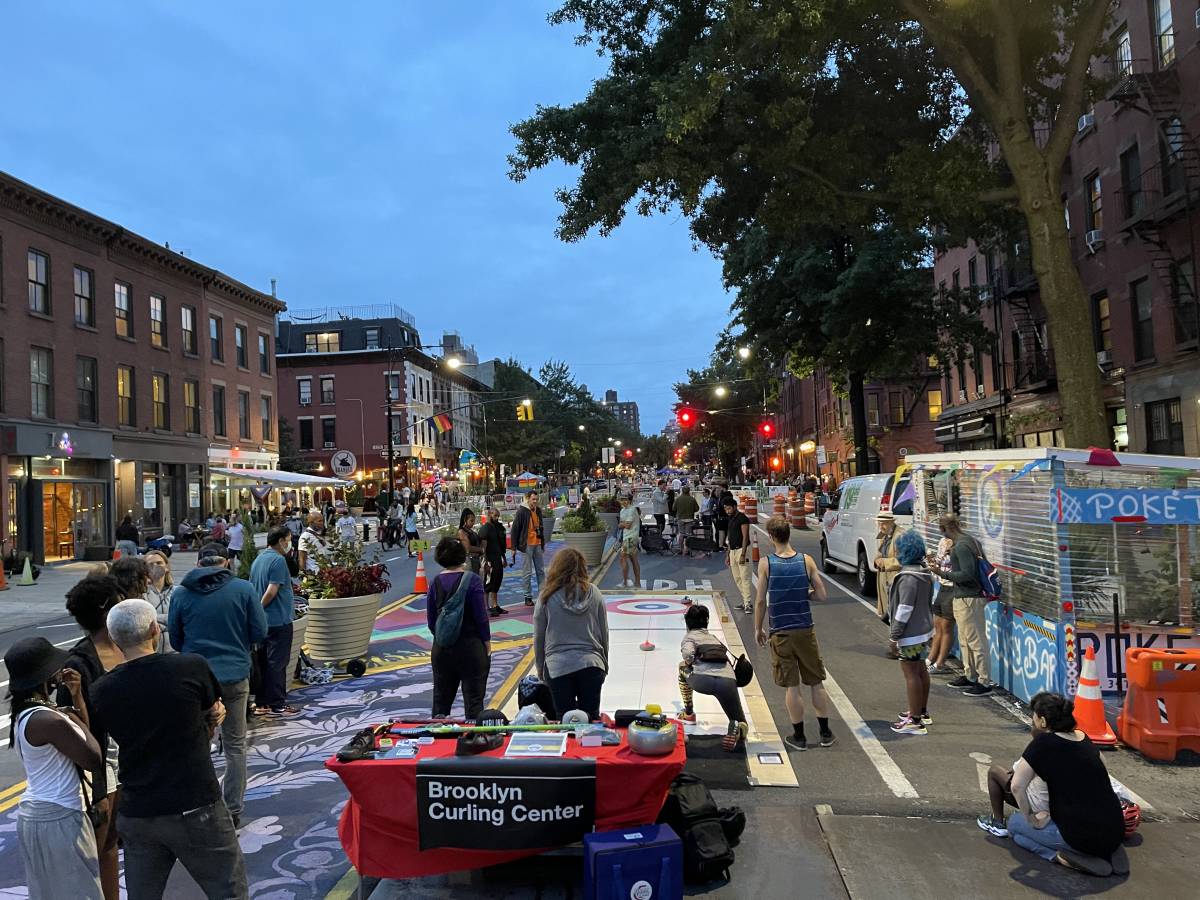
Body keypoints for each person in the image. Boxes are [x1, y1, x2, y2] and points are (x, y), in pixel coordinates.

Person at [91, 600, 248, 899]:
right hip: (195, 801)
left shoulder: (102, 690)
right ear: (154, 630)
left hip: (139, 810)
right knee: (228, 888)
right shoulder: (189, 666)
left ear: (114, 639)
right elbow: (211, 713)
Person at [169, 544, 268, 823]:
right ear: (226, 563)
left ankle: (200, 806)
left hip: (195, 679)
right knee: (235, 746)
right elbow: (259, 631)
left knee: (197, 745)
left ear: (198, 563)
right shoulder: (243, 589)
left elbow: (176, 640)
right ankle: (232, 809)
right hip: (235, 675)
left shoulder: (182, 594)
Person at [6, 636, 105, 900]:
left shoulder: (29, 713)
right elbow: (93, 757)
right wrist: (72, 716)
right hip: (59, 818)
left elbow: (82, 737)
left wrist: (76, 698)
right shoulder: (50, 720)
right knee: (83, 893)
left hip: (39, 815)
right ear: (45, 677)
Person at [997, 692, 1128, 877]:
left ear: (1042, 721)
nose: (1032, 722)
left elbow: (1017, 786)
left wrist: (1031, 818)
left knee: (1015, 826)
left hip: (1079, 836)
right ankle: (1111, 850)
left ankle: (1062, 857)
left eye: (1033, 718)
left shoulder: (1043, 742)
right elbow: (1103, 768)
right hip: (1115, 828)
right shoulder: (1084, 738)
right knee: (1022, 836)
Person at [59, 575, 126, 899]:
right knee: (101, 846)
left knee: (113, 843)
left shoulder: (130, 643)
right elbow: (71, 728)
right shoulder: (79, 663)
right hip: (101, 767)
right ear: (107, 609)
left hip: (133, 758)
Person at [754, 516, 835, 751]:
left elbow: (760, 601)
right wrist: (804, 594)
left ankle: (799, 736)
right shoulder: (806, 561)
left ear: (771, 538)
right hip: (805, 628)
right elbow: (821, 595)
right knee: (816, 682)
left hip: (781, 631)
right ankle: (825, 732)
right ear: (789, 534)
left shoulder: (766, 564)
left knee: (792, 686)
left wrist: (758, 628)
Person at [533, 548, 609, 721]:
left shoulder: (546, 597)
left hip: (557, 666)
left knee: (565, 720)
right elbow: (604, 632)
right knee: (590, 720)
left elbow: (539, 636)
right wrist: (604, 662)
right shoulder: (594, 593)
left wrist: (540, 667)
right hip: (592, 664)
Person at [426, 536, 490, 719]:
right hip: (470, 647)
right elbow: (481, 617)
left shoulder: (435, 582)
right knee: (474, 703)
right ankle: (473, 743)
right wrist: (486, 642)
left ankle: (437, 745)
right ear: (463, 555)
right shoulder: (473, 580)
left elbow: (431, 620)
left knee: (440, 704)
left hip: (442, 649)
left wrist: (444, 635)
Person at [934, 513, 992, 696]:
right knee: (966, 640)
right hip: (966, 597)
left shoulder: (962, 546)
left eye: (940, 528)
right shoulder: (969, 542)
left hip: (968, 598)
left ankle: (983, 681)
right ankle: (970, 675)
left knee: (974, 641)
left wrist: (942, 573)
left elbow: (967, 574)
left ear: (945, 528)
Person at [677, 604, 747, 751]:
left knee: (682, 666)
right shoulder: (714, 638)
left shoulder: (689, 637)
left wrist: (691, 662)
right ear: (706, 622)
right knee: (740, 720)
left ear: (687, 623)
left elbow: (688, 655)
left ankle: (688, 713)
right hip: (728, 682)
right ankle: (738, 729)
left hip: (702, 680)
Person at [886, 530, 936, 736]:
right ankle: (920, 711)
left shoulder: (908, 578)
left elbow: (903, 609)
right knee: (920, 670)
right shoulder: (924, 573)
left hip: (911, 634)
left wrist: (894, 636)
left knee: (910, 674)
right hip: (924, 630)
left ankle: (915, 721)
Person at [249, 528, 300, 720]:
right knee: (277, 663)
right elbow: (271, 591)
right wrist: (260, 608)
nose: (289, 544)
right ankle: (278, 704)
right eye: (287, 540)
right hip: (278, 619)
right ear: (280, 541)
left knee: (263, 662)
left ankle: (262, 702)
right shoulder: (278, 560)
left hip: (264, 623)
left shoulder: (259, 559)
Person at [926, 533, 957, 675]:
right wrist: (932, 562)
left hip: (953, 587)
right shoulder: (942, 541)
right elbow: (939, 562)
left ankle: (939, 663)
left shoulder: (958, 543)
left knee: (946, 626)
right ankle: (930, 658)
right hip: (942, 586)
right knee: (938, 625)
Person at [511, 491, 546, 608]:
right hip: (527, 545)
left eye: (536, 499)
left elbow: (541, 527)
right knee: (527, 572)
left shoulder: (538, 510)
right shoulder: (522, 511)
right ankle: (528, 596)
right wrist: (513, 547)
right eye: (533, 499)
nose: (535, 502)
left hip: (537, 543)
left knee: (540, 570)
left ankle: (543, 594)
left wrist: (543, 543)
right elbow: (515, 529)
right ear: (528, 499)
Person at [724, 496, 753, 613]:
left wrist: (743, 554)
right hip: (732, 551)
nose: (727, 511)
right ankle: (746, 600)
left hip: (742, 550)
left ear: (735, 507)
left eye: (729, 508)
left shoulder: (743, 518)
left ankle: (748, 604)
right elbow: (730, 537)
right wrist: (728, 554)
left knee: (745, 577)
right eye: (726, 509)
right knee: (737, 578)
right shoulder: (730, 519)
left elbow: (745, 537)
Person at [872, 512, 901, 626]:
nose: (881, 526)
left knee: (895, 612)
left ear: (891, 523)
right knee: (888, 613)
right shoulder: (884, 534)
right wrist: (877, 560)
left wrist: (884, 562)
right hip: (885, 577)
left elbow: (904, 560)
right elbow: (879, 553)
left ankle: (896, 639)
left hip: (895, 578)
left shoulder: (900, 536)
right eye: (879, 523)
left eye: (883, 523)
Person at [480, 507, 508, 616]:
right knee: (488, 584)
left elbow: (501, 545)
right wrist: (485, 562)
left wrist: (504, 559)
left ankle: (495, 605)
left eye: (498, 516)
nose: (497, 518)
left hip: (498, 559)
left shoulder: (497, 527)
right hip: (490, 560)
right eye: (495, 515)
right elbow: (483, 548)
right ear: (489, 514)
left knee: (496, 582)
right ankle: (486, 607)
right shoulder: (485, 528)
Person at [617, 494, 642, 589]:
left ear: (630, 500)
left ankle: (626, 581)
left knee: (623, 558)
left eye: (625, 500)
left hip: (631, 538)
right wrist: (623, 524)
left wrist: (622, 524)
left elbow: (627, 525)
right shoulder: (622, 510)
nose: (623, 501)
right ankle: (636, 582)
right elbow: (622, 524)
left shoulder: (632, 510)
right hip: (626, 537)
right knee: (633, 559)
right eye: (621, 499)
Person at [672, 486, 700, 554]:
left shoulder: (678, 499)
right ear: (689, 491)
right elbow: (697, 508)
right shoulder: (692, 499)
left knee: (681, 534)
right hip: (690, 519)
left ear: (682, 491)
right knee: (688, 535)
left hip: (680, 518)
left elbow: (673, 508)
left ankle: (680, 549)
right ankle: (687, 549)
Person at [457, 508, 484, 575]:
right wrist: (481, 549)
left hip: (476, 560)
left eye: (474, 521)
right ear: (465, 520)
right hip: (469, 561)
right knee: (472, 582)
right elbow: (468, 548)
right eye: (471, 521)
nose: (473, 523)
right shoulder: (461, 532)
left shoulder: (471, 531)